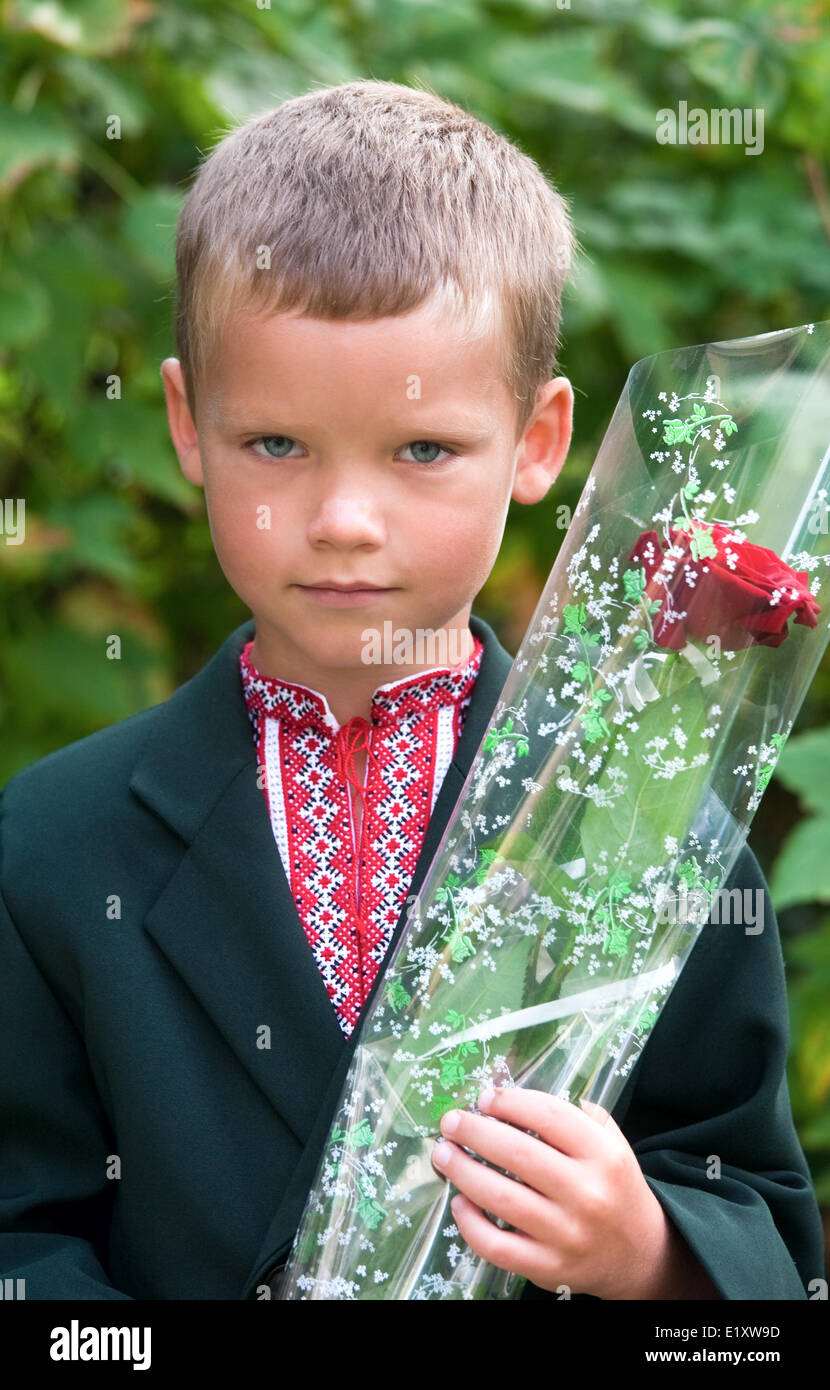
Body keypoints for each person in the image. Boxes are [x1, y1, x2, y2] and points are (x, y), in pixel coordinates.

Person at [0, 78, 824, 1302]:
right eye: (274, 444)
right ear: (185, 423)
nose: (343, 521)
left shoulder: (646, 841)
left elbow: (761, 1242)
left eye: (421, 451)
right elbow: (25, 1240)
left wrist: (648, 1252)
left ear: (539, 441)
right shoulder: (52, 847)